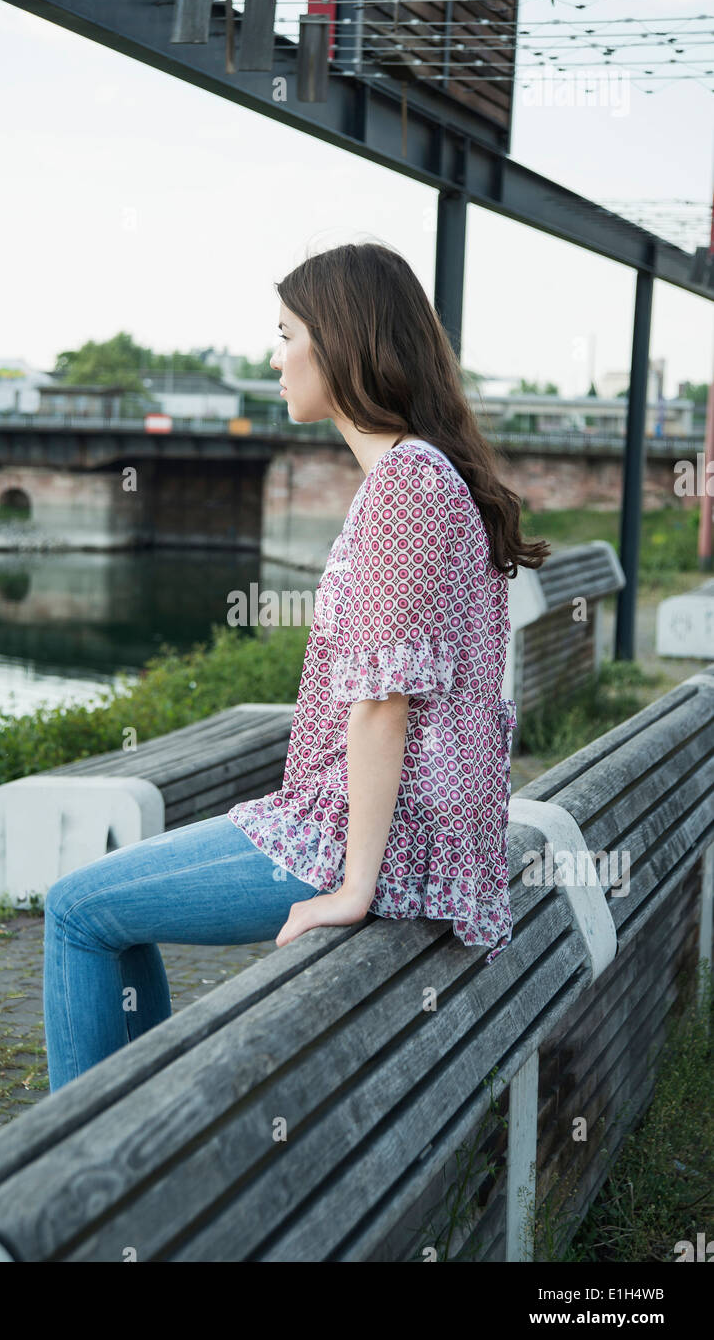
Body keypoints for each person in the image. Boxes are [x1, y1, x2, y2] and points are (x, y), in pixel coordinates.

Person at [42, 240, 550, 1092]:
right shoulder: (424, 474)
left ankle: (86, 1172)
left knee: (79, 910)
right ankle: (133, 1128)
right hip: (393, 832)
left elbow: (384, 704)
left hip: (361, 838)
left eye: (284, 336)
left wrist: (353, 886)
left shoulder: (407, 485)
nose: (272, 359)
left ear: (340, 343)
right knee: (101, 908)